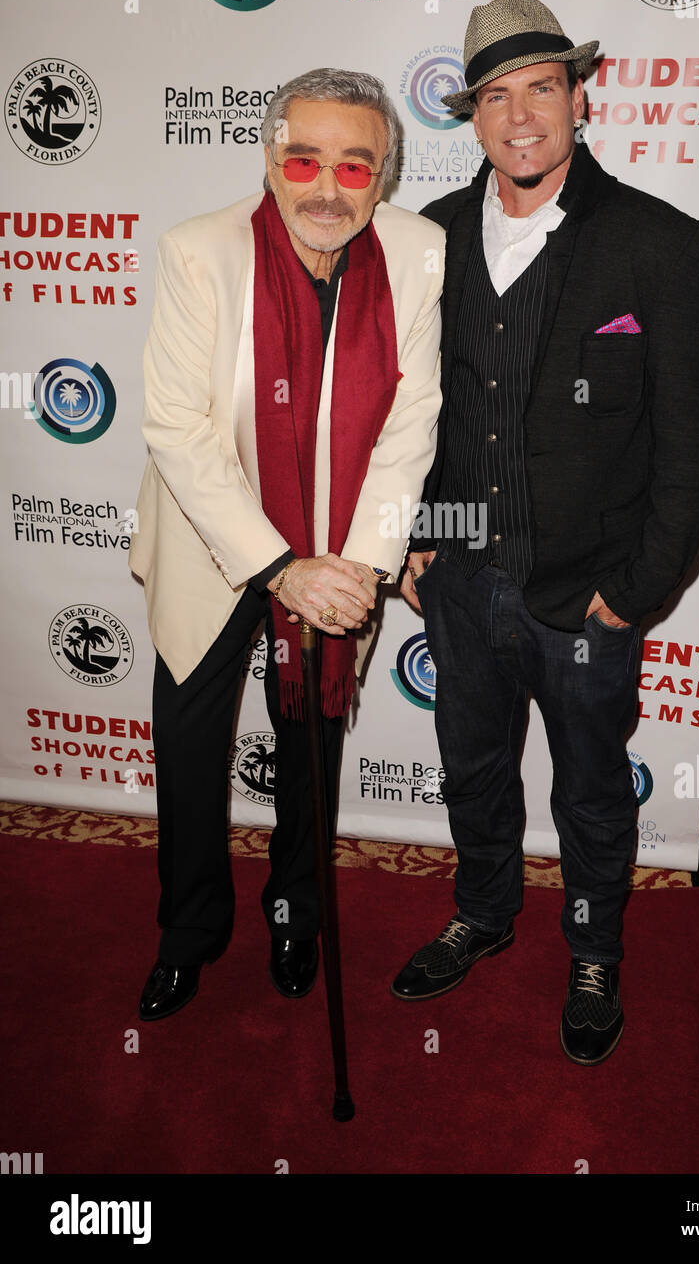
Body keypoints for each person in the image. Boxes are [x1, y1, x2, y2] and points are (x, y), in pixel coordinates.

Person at [389, 0, 699, 1065]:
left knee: (589, 787)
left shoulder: (661, 245)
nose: (520, 115)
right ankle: (482, 911)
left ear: (580, 97)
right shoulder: (429, 240)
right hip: (460, 586)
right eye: (496, 95)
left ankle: (592, 949)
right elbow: (415, 413)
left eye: (541, 87)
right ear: (472, 116)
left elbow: (687, 447)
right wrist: (418, 538)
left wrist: (633, 589)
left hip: (585, 593)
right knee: (470, 766)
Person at [129, 68, 444, 1020]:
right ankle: (189, 932)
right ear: (271, 159)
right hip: (215, 546)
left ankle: (296, 914)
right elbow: (180, 431)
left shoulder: (417, 253)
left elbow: (412, 416)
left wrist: (358, 564)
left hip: (343, 554)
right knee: (189, 747)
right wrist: (279, 568)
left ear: (384, 175)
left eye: (356, 166)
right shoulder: (201, 252)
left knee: (311, 750)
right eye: (304, 158)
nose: (326, 188)